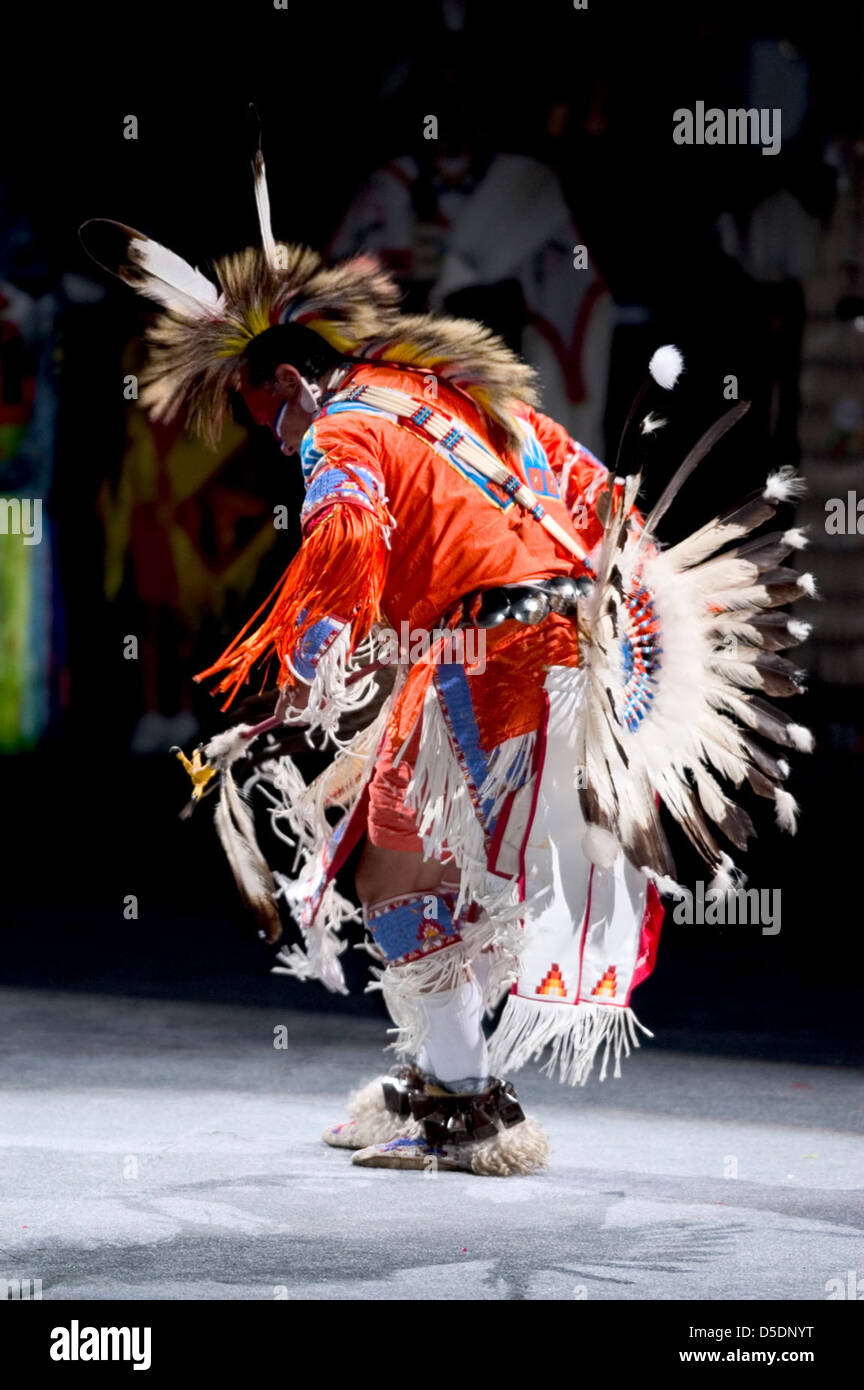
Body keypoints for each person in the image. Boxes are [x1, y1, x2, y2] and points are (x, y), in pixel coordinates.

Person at [80, 146, 813, 1177]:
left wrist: (308, 662)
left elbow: (344, 542)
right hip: (566, 645)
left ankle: (470, 1109)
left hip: (495, 658)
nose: (283, 439)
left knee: (395, 865)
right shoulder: (444, 391)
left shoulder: (339, 428)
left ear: (291, 378)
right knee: (421, 860)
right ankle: (443, 1075)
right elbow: (588, 480)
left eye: (272, 417)